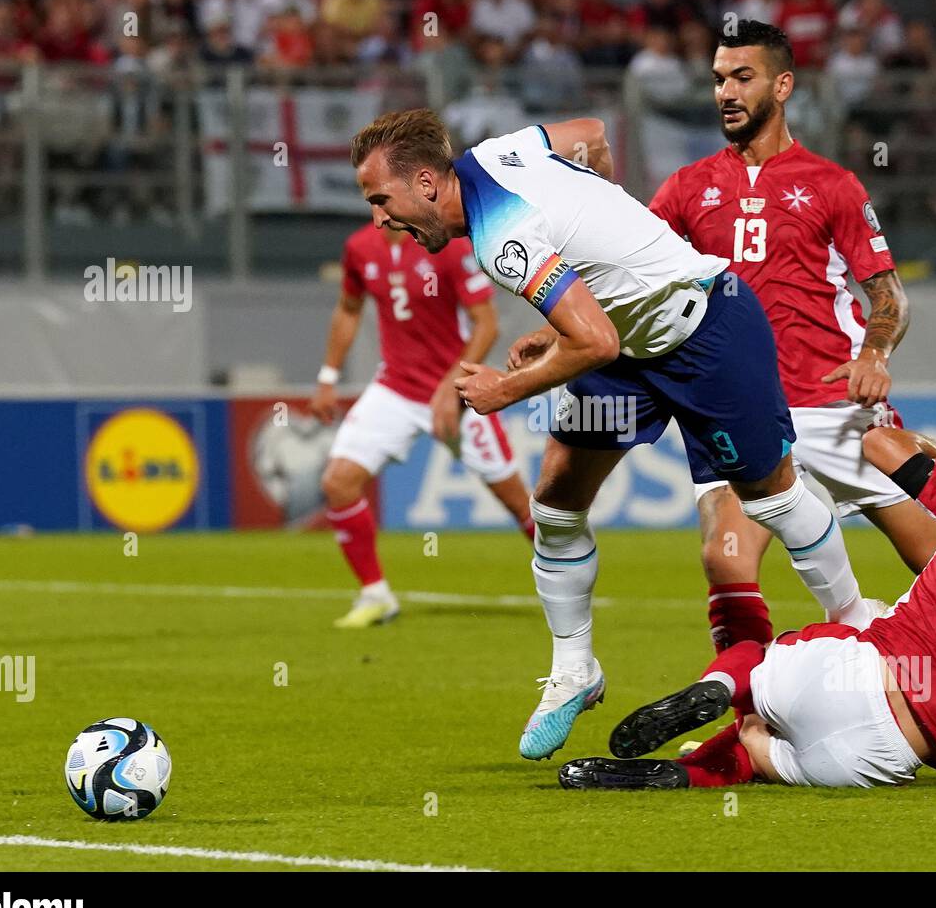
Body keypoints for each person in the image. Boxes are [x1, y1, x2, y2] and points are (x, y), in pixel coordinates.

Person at [350, 107, 880, 760]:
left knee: (772, 496)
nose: (378, 219)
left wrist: (503, 391)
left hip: (706, 330)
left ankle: (858, 622)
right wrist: (602, 233)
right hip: (630, 356)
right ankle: (575, 669)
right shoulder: (501, 150)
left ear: (426, 183)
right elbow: (594, 133)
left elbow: (592, 340)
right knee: (555, 500)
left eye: (381, 199)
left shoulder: (502, 241)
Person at [560, 427, 936, 790]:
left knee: (756, 659)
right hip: (884, 756)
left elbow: (877, 442)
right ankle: (677, 775)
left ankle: (721, 690)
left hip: (859, 677)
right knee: (754, 755)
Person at [648, 20, 936, 663]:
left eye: (742, 77)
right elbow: (628, 276)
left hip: (833, 407)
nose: (726, 91)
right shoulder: (684, 189)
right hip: (738, 411)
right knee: (725, 558)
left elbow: (889, 298)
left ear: (783, 85)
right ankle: (744, 720)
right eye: (719, 79)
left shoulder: (833, 185)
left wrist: (873, 354)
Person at [312, 223, 534, 629]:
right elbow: (348, 308)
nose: (380, 209)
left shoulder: (447, 248)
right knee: (337, 482)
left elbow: (486, 324)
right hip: (395, 388)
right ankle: (375, 595)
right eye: (371, 198)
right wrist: (328, 377)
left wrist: (451, 389)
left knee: (519, 503)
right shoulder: (360, 247)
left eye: (384, 196)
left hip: (456, 392)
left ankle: (570, 584)